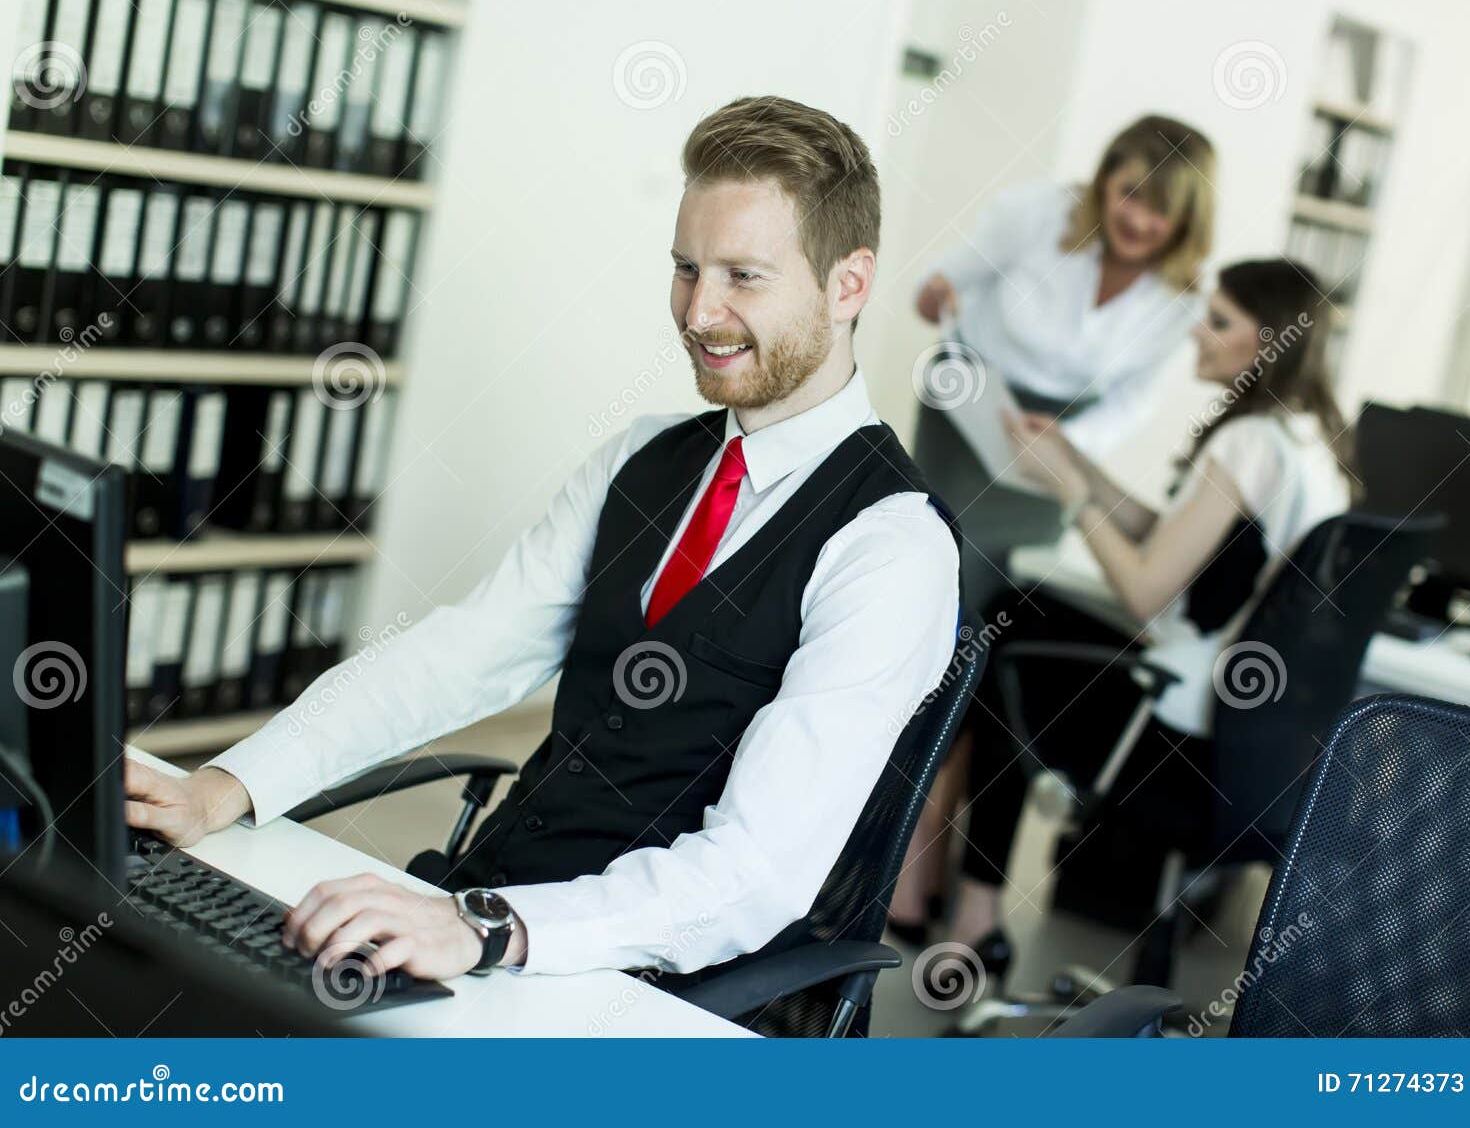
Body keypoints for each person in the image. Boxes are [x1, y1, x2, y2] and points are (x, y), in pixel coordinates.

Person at [123, 96, 961, 984]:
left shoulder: (891, 548)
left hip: (642, 983)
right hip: (485, 916)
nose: (699, 312)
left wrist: (487, 929)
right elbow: (462, 654)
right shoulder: (642, 457)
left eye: (743, 277)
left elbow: (751, 874)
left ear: (849, 284)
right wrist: (224, 787)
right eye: (685, 268)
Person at [898, 259, 1355, 978]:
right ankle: (972, 908)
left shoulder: (1247, 442)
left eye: (1220, 320)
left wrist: (1071, 491)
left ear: (1268, 341)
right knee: (1025, 617)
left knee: (1009, 641)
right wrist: (1077, 459)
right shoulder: (1305, 441)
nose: (1198, 333)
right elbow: (1172, 536)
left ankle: (970, 913)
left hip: (1171, 741)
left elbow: (1145, 589)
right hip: (1247, 748)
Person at [911, 113, 1216, 613]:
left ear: (1188, 220)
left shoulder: (1183, 301)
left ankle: (962, 687)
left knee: (1000, 584)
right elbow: (943, 281)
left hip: (1054, 440)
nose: (1138, 219)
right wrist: (932, 297)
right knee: (932, 549)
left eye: (1160, 210)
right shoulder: (1038, 212)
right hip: (970, 408)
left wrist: (1069, 445)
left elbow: (1135, 399)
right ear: (1104, 180)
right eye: (1129, 193)